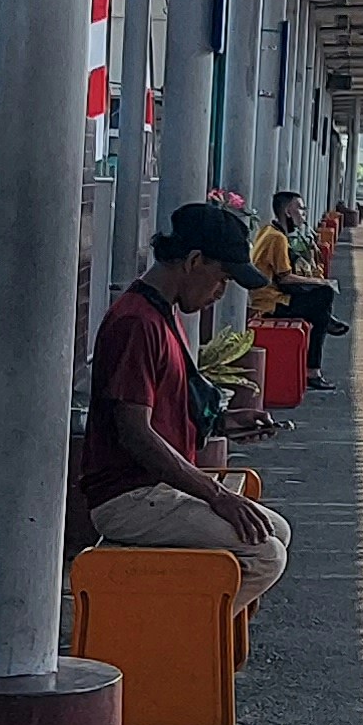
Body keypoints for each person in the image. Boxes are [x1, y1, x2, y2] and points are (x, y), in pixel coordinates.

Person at [80, 204, 291, 592]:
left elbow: (161, 410)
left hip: (155, 489)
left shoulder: (161, 312)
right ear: (195, 261)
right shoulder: (137, 323)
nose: (220, 293)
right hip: (128, 498)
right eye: (222, 278)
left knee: (275, 530)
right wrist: (217, 495)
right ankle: (187, 645)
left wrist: (224, 422)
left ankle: (196, 634)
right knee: (264, 554)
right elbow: (134, 433)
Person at [251, 187, 347, 387]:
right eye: (301, 209)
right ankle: (312, 371)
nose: (304, 215)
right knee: (323, 296)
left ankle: (326, 321)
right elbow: (285, 279)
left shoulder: (267, 230)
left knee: (320, 305)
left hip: (267, 297)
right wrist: (320, 282)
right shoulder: (277, 238)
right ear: (287, 212)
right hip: (271, 303)